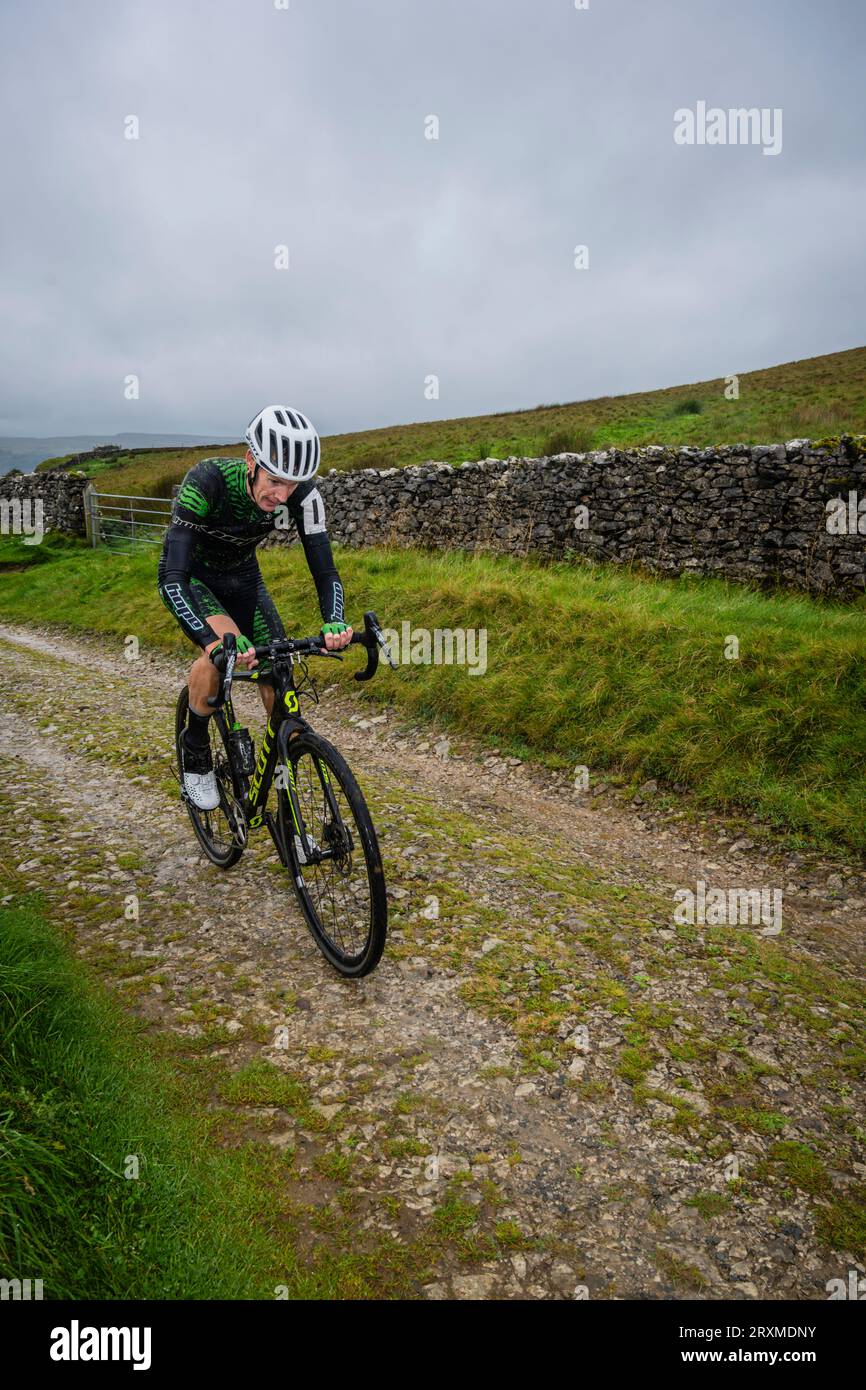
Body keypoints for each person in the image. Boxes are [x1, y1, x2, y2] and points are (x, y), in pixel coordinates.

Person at [157, 404, 351, 811]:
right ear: (251, 461)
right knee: (223, 652)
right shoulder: (207, 481)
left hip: (244, 579)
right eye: (274, 481)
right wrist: (212, 643)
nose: (281, 495)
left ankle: (290, 795)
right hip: (194, 578)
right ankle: (195, 751)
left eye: (291, 485)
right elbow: (172, 576)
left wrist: (335, 620)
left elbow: (325, 570)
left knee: (278, 668)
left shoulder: (305, 495)